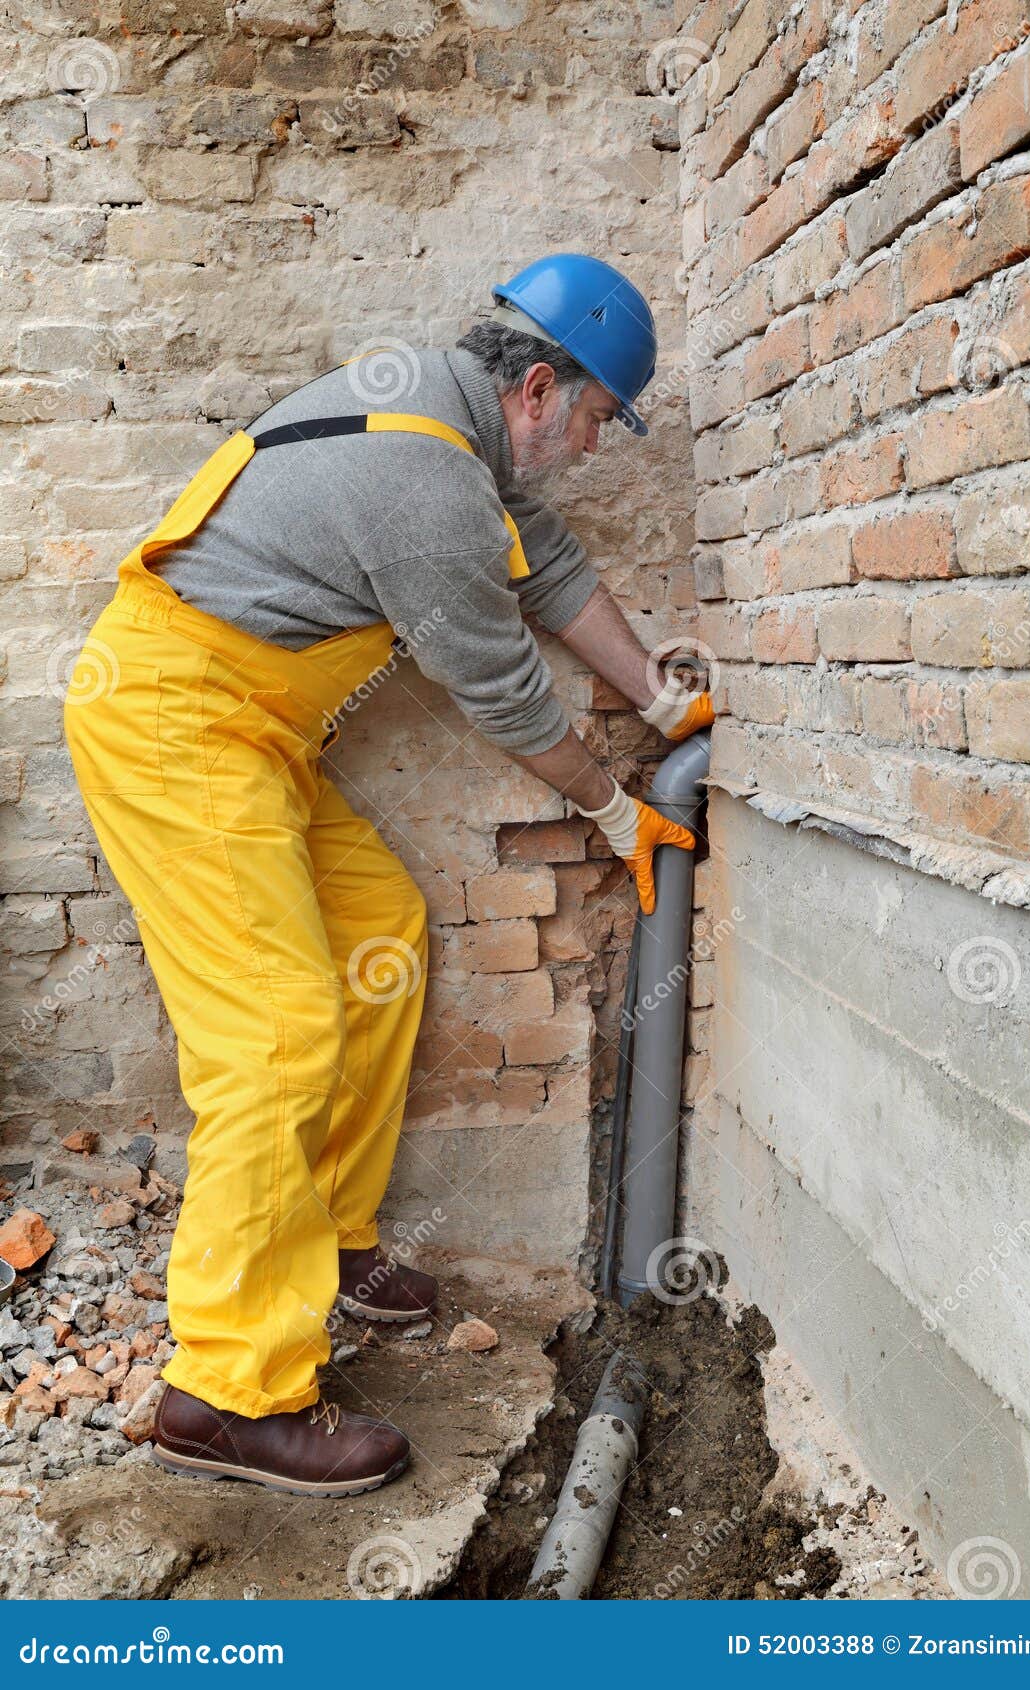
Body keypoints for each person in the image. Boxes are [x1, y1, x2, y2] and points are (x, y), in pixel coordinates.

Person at [63, 253, 714, 1499]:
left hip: (249, 730)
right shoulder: (427, 478)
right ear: (537, 389)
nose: (590, 446)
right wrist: (613, 810)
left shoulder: (446, 416)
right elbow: (502, 691)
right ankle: (226, 1392)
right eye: (593, 419)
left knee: (381, 930)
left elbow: (549, 566)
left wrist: (657, 696)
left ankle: (330, 1241)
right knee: (274, 1034)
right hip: (174, 720)